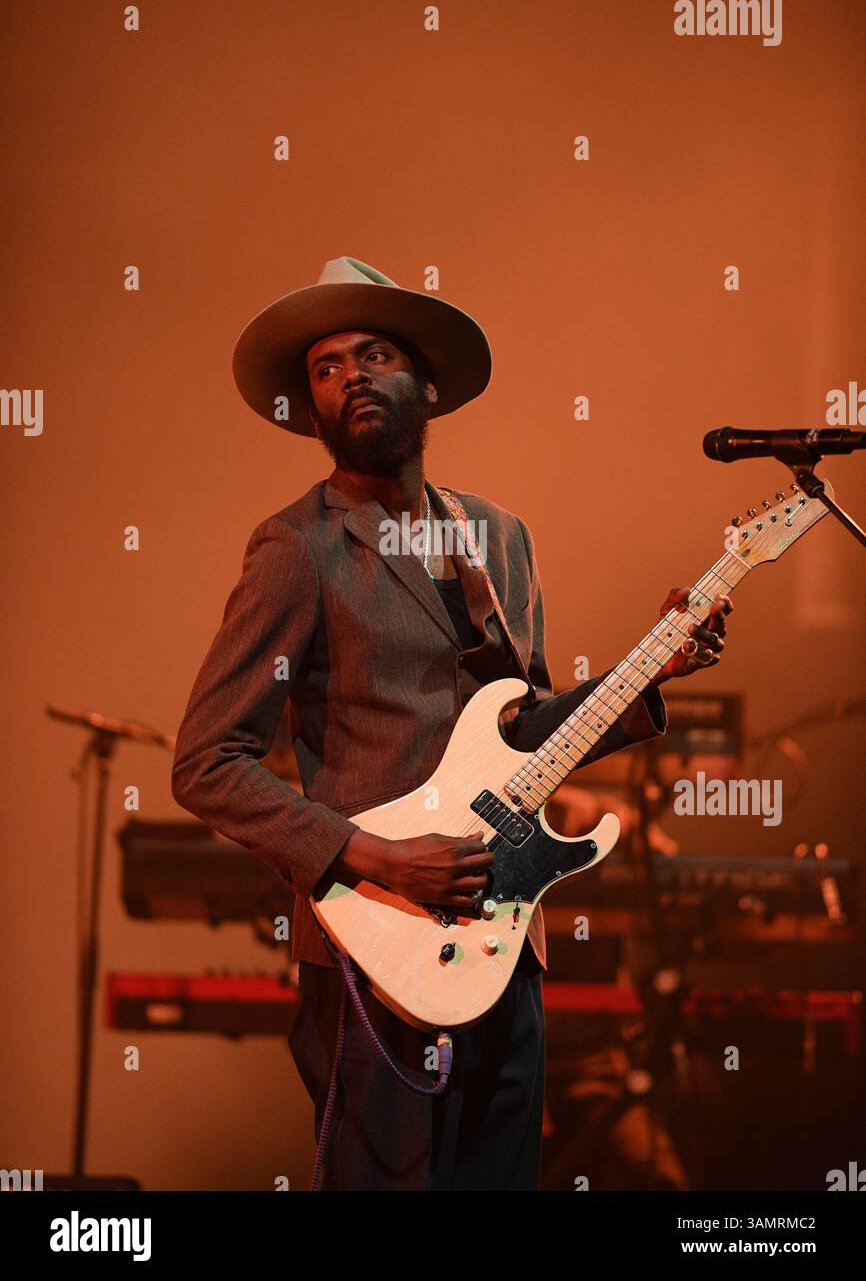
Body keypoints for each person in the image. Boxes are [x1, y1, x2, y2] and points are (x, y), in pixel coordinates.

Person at [170, 255, 732, 1191]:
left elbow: (528, 735)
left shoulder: (497, 538)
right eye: (326, 365)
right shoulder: (295, 549)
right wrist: (372, 856)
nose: (350, 375)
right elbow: (205, 761)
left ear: (424, 384)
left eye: (375, 354)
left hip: (503, 933)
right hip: (375, 940)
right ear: (311, 407)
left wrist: (647, 678)